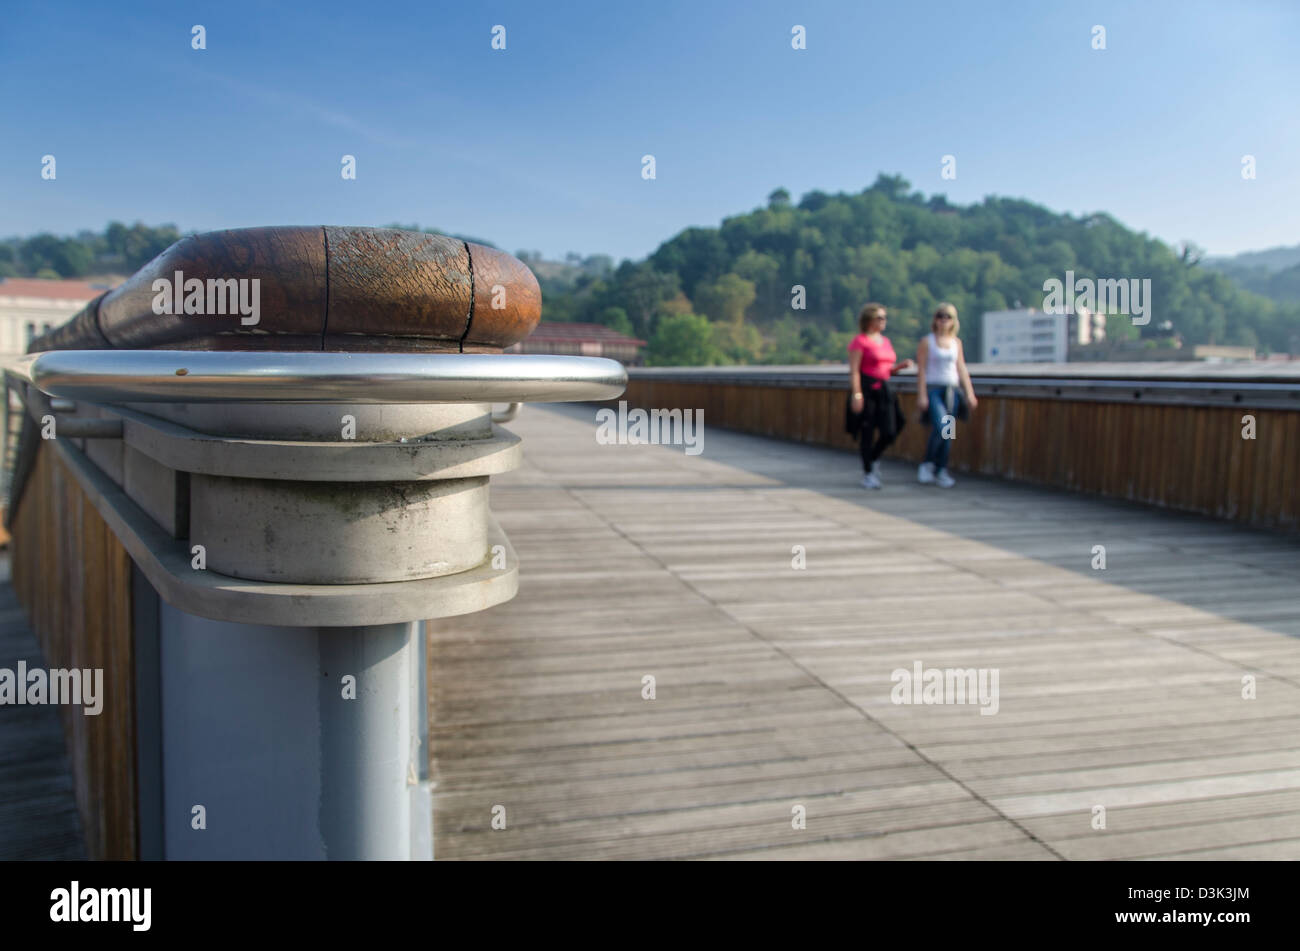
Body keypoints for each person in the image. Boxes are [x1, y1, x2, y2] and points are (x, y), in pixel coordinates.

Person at [847, 303, 914, 489]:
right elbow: (854, 371)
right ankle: (868, 473)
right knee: (867, 431)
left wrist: (898, 368)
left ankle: (874, 457)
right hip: (866, 389)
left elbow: (884, 369)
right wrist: (857, 394)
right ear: (869, 320)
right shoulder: (859, 342)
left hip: (884, 389)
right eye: (880, 318)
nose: (884, 321)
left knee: (893, 427)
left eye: (884, 318)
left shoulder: (885, 341)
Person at [915, 303, 978, 488]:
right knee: (941, 425)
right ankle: (927, 463)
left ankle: (941, 468)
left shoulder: (956, 343)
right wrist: (922, 395)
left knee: (948, 432)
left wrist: (969, 393)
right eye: (940, 316)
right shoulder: (927, 342)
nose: (944, 320)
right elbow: (921, 370)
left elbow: (961, 368)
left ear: (953, 321)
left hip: (952, 389)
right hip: (934, 388)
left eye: (948, 317)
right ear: (935, 320)